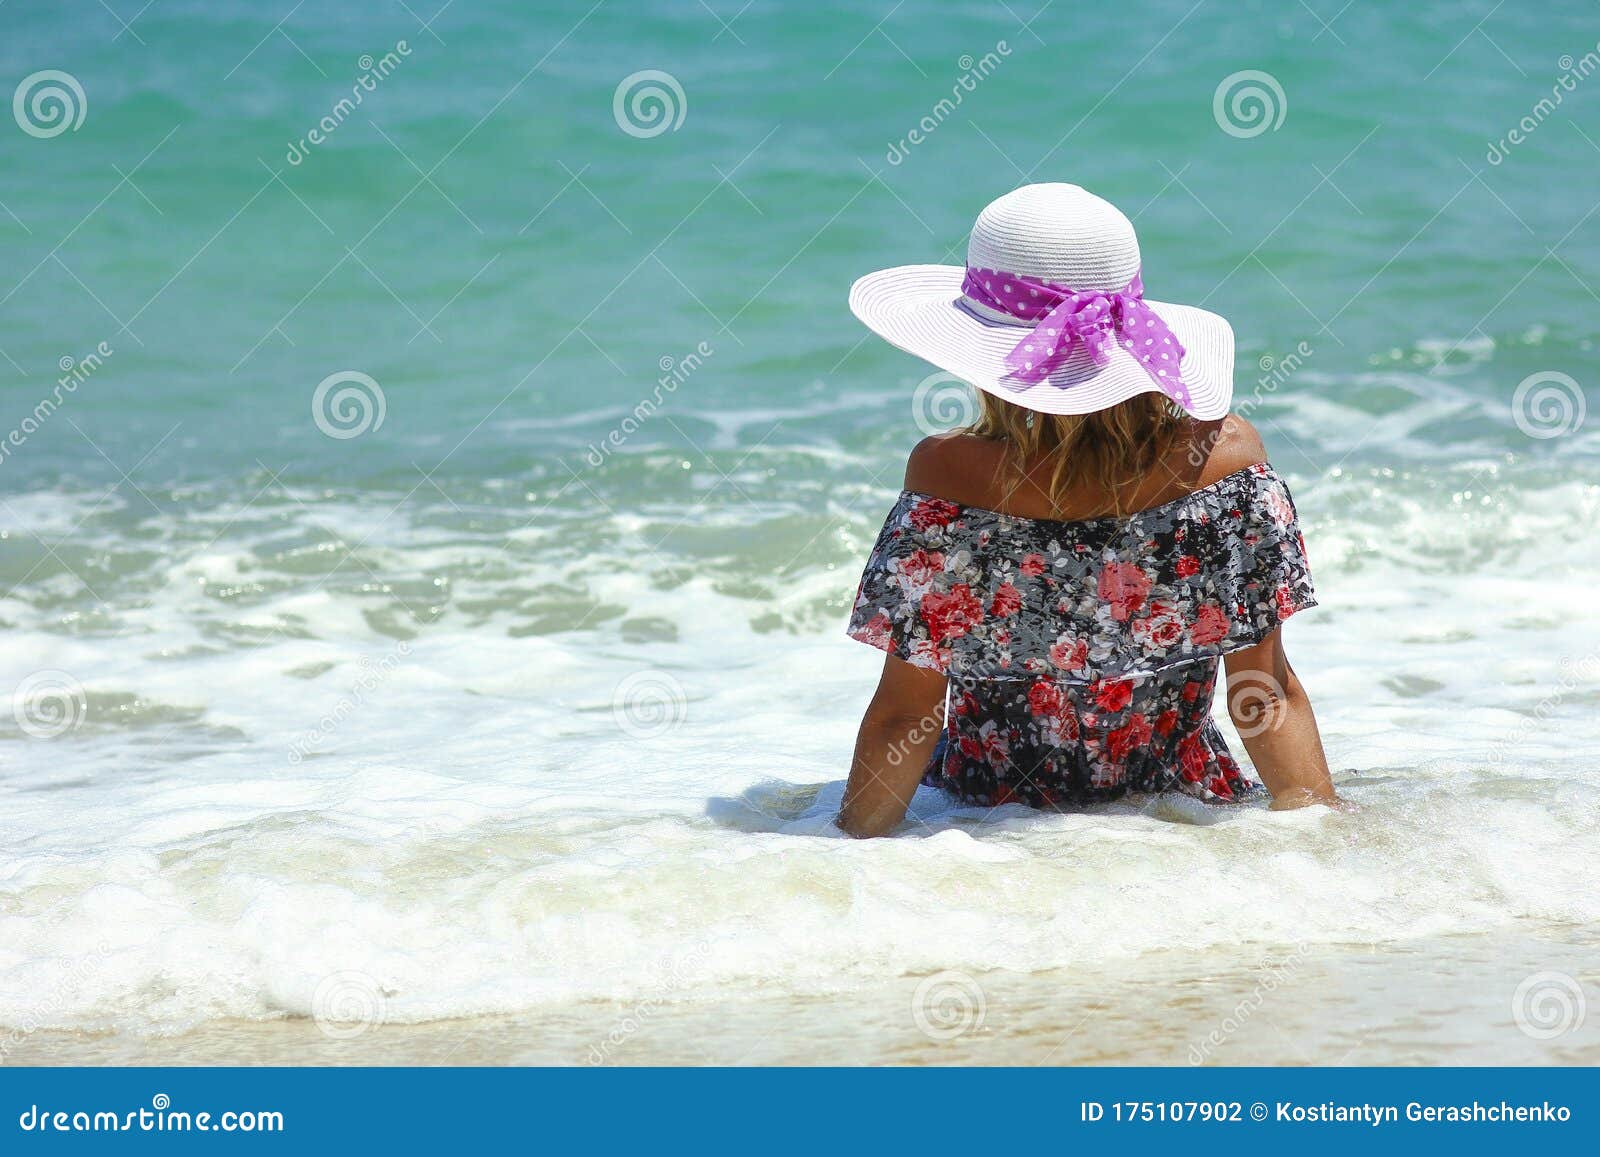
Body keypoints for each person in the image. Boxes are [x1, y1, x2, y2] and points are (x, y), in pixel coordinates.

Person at [836, 183, 1336, 838]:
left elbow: (906, 717)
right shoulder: (1227, 458)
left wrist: (843, 868)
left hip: (984, 830)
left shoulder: (949, 474)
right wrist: (1331, 857)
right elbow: (1265, 696)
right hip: (1180, 821)